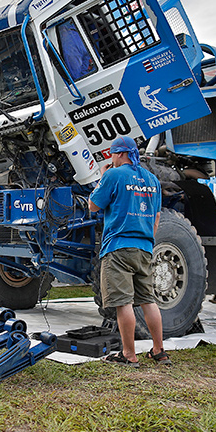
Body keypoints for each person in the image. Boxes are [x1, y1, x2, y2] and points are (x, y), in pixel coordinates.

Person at [88, 136, 170, 368]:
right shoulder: (152, 180)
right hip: (144, 247)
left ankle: (128, 354)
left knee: (123, 303)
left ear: (119, 154)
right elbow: (156, 217)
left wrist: (101, 179)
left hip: (118, 247)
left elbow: (93, 205)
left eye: (112, 154)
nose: (111, 159)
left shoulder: (113, 175)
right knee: (147, 300)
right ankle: (158, 350)